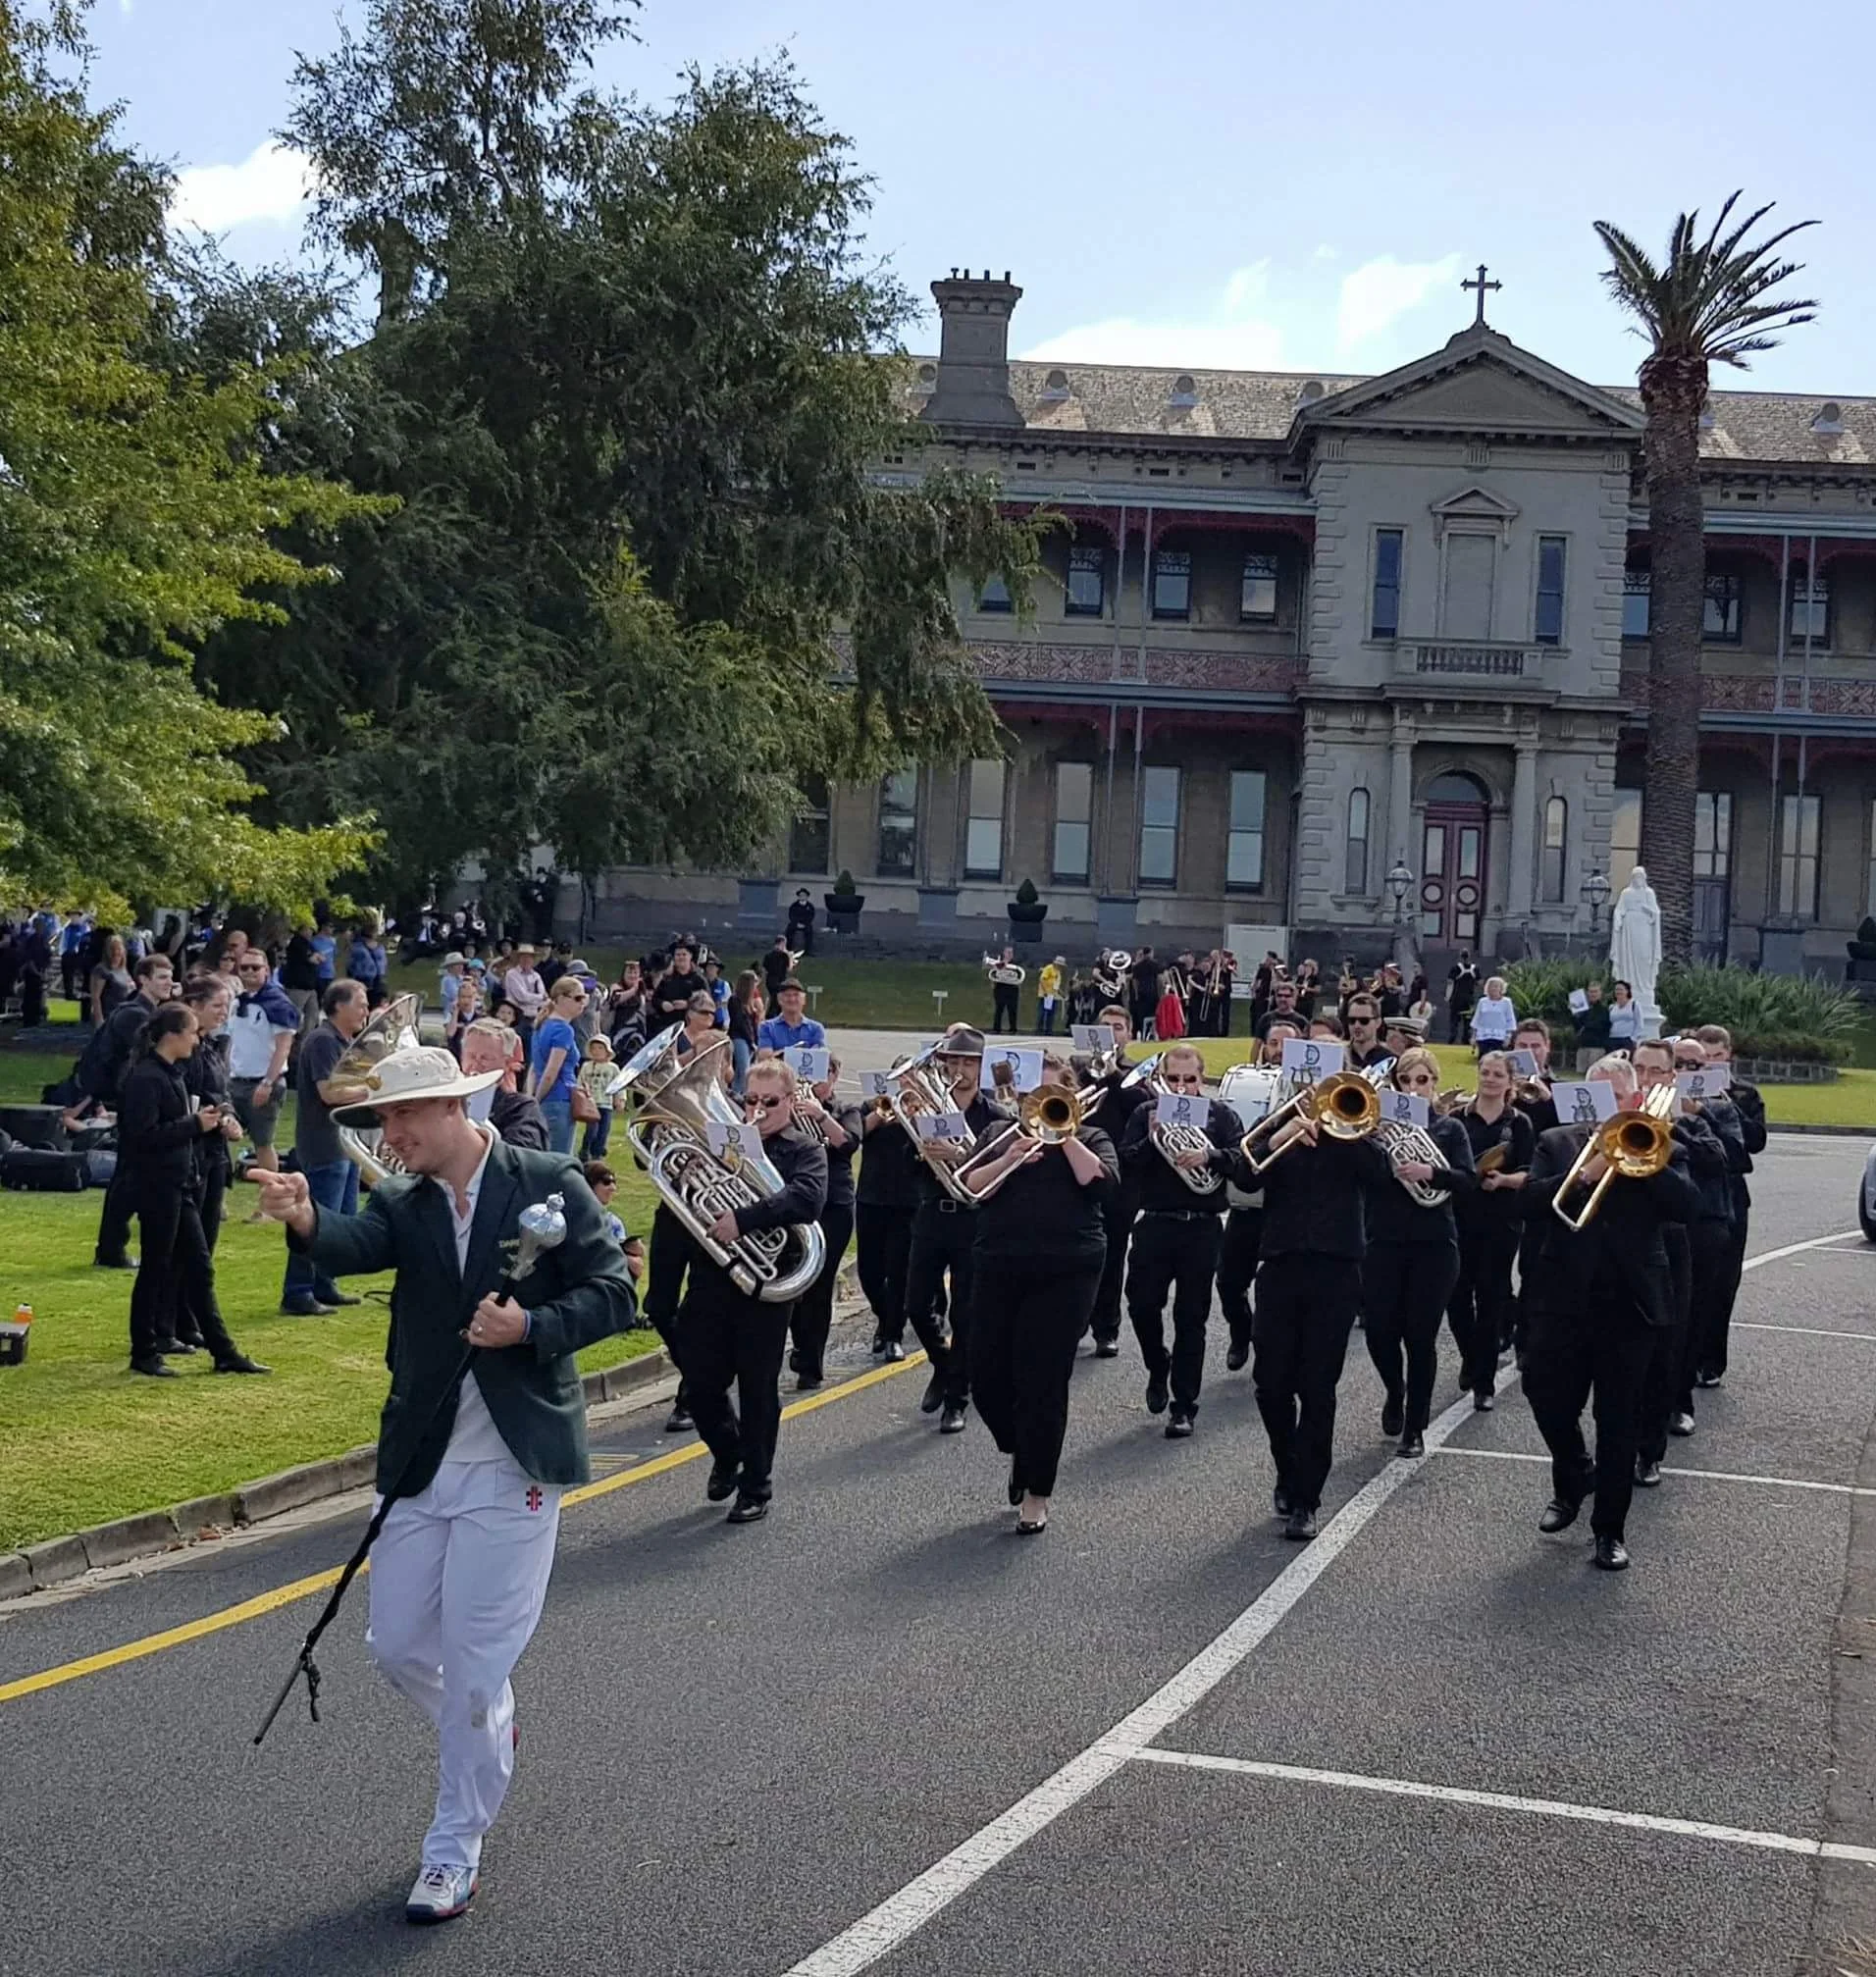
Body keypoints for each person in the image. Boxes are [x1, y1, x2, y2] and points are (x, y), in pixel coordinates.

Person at [257, 1044, 634, 1922]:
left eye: (401, 1116)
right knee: (394, 1646)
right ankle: (489, 1724)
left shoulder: (547, 1177)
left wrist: (531, 1323)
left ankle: (453, 1849)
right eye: (383, 1118)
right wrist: (307, 1218)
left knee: (471, 1669)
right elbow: (353, 1246)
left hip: (515, 1464)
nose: (390, 1133)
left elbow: (614, 1292)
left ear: (451, 1110)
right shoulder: (407, 1200)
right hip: (423, 1459)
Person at [1518, 1052, 1698, 1570]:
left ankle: (1609, 1531)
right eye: (1598, 1097)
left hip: (1631, 1303)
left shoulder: (1659, 1145)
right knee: (1545, 1394)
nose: (1608, 1108)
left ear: (1633, 1099)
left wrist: (1644, 1163)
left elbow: (1687, 1207)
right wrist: (1585, 1174)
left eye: (1617, 1098)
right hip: (1564, 1299)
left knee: (1618, 1420)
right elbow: (1530, 1204)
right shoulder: (1557, 1144)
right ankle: (1573, 1477)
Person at [962, 1055, 1118, 1534]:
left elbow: (1102, 1183)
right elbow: (972, 1186)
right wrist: (1010, 1158)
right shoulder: (998, 1136)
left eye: (1051, 1097)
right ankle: (1019, 1447)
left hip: (1067, 1271)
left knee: (1044, 1381)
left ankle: (1036, 1493)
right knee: (985, 1374)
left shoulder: (1091, 1137)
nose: (1041, 1106)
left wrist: (1063, 1135)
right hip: (999, 1265)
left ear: (1069, 1098)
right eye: (1035, 1098)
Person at [1240, 1062, 1392, 1540]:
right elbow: (1245, 1178)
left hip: (1336, 1270)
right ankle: (1287, 1470)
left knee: (1318, 1385)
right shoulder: (1280, 1129)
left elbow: (1383, 1176)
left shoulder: (1355, 1139)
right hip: (1280, 1266)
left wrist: (1346, 1132)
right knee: (1270, 1383)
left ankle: (1306, 1496)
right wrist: (1281, 1134)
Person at [678, 1058, 828, 1524]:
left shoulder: (805, 1150)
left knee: (758, 1387)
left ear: (789, 1103)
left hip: (766, 1284)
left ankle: (756, 1485)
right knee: (699, 1382)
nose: (758, 1110)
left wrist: (744, 1219)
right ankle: (727, 1452)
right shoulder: (718, 1143)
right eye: (751, 1100)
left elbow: (807, 1199)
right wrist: (687, 1176)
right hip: (711, 1278)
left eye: (770, 1102)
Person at [119, 1003, 267, 1378]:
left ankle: (223, 1349)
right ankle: (145, 1349)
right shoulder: (147, 1078)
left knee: (198, 1266)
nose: (195, 1040)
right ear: (172, 1035)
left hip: (180, 1183)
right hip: (156, 1186)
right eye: (190, 1033)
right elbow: (141, 1137)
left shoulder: (173, 1075)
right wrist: (194, 1125)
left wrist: (204, 1123)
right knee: (155, 1266)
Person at [1120, 1044, 1242, 1437]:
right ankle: (1158, 1363)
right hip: (1155, 1224)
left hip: (1201, 1227)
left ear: (1201, 1079)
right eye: (1173, 1079)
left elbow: (1241, 1162)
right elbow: (1125, 1161)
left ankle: (1184, 1405)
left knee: (1192, 1319)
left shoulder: (1220, 1115)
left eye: (1189, 1079)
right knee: (1140, 1306)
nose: (1181, 1087)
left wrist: (1210, 1157)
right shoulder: (1145, 1113)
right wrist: (1153, 1141)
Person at [1362, 1048, 1476, 1457]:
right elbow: (1364, 1182)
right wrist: (1375, 1148)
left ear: (1434, 1084)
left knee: (1421, 1336)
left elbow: (1467, 1181)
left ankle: (1415, 1426)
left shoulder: (1448, 1130)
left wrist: (1431, 1172)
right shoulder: (1377, 1130)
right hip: (1384, 1241)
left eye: (1422, 1081)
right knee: (1379, 1332)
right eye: (1405, 1081)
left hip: (1434, 1244)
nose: (1413, 1088)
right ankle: (1396, 1389)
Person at [1633, 1036, 1736, 1482]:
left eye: (1656, 1071)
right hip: (1625, 1245)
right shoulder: (1615, 1111)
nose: (1646, 1078)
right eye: (1640, 1069)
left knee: (1672, 1338)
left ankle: (1662, 1428)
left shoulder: (1692, 1119)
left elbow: (1723, 1158)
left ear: (1672, 1077)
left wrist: (1677, 1127)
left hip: (1678, 1241)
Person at [904, 1025, 1007, 1431]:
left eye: (968, 1062)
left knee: (965, 1313)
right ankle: (943, 1365)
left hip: (973, 1219)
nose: (959, 1069)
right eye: (953, 1062)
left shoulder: (995, 1116)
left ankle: (957, 1400)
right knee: (915, 1305)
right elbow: (903, 1162)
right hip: (932, 1212)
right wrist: (916, 1144)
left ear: (981, 1068)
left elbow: (1002, 1170)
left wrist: (962, 1153)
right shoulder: (928, 1109)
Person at [1447, 1052, 1535, 1408]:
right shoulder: (1458, 1118)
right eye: (1485, 1072)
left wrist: (1504, 1180)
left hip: (1501, 1219)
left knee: (1491, 1298)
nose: (1490, 1079)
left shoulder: (1520, 1124)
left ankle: (1483, 1382)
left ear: (1510, 1082)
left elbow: (1531, 1170)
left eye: (1498, 1074)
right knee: (1455, 1296)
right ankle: (1471, 1355)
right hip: (1459, 1215)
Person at [81, 952, 179, 1270]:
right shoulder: (136, 1016)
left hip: (131, 1101)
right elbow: (149, 1057)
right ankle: (111, 1247)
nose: (169, 982)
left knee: (128, 1178)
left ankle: (112, 1247)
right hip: (131, 1103)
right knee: (127, 1179)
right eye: (161, 977)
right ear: (143, 980)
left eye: (170, 976)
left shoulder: (145, 1012)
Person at [283, 980, 374, 1316]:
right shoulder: (323, 1041)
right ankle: (298, 1290)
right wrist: (372, 1090)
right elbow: (329, 1093)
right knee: (314, 1220)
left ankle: (324, 1284)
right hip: (324, 1144)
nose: (366, 1010)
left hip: (344, 1144)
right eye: (360, 1004)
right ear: (339, 1006)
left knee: (339, 1220)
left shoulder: (343, 1042)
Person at [1220, 1018, 1299, 1374]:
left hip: (1289, 1209)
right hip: (1249, 1205)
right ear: (1264, 1048)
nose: (1279, 1051)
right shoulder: (1254, 1082)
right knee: (1228, 1282)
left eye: (1288, 1046)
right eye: (1274, 1044)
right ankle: (1241, 1332)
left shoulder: (1318, 1098)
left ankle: (1274, 1354)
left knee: (1280, 1293)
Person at [1692, 1025, 1766, 1389]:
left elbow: (1755, 1143)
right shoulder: (1679, 1090)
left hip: (1731, 1194)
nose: (1707, 1065)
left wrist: (1727, 1105)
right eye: (1702, 1059)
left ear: (1728, 1057)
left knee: (1723, 1283)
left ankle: (1710, 1360)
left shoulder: (1745, 1093)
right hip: (1694, 1191)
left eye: (1715, 1058)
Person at [787, 1058, 861, 1390]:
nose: (815, 1082)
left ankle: (811, 1363)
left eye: (823, 1075)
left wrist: (819, 1114)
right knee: (790, 1282)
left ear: (834, 1077)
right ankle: (800, 1346)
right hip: (798, 1202)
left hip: (834, 1205)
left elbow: (847, 1143)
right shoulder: (788, 1110)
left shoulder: (846, 1110)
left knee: (819, 1284)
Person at [1082, 1005, 1152, 1357]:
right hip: (1078, 1176)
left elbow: (1148, 1107)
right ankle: (1077, 1319)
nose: (1112, 1033)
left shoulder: (1137, 1075)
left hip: (1121, 1178)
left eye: (1118, 1027)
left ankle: (1106, 1327)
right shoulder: (1078, 1071)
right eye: (1105, 1027)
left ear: (1130, 1035)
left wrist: (1111, 1076)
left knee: (1111, 1256)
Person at [855, 1068, 920, 1361]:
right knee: (868, 1273)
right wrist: (880, 1115)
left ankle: (893, 1333)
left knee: (898, 1272)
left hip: (907, 1202)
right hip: (871, 1198)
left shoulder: (926, 1113)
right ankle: (884, 1317)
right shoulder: (871, 1107)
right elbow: (854, 1137)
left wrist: (916, 1118)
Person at [227, 949, 298, 1191]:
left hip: (264, 1081)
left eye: (255, 968)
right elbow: (232, 1042)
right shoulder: (238, 1002)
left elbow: (283, 1046)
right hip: (236, 1079)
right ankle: (218, 1200)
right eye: (244, 967)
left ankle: (269, 1202)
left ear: (266, 970)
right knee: (223, 1137)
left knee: (263, 1143)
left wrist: (268, 1082)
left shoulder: (277, 1003)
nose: (249, 972)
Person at [459, 1019, 550, 1151]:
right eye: (471, 1056)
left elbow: (524, 1153)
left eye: (485, 1058)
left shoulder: (521, 1108)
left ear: (506, 1063)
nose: (476, 1065)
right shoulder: (446, 1100)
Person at [528, 974, 586, 1156]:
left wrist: (532, 1098)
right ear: (560, 998)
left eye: (584, 998)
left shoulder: (541, 1026)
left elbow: (533, 1069)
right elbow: (550, 1072)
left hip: (544, 1099)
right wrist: (536, 1101)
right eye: (577, 998)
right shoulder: (563, 1030)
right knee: (559, 1159)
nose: (582, 1003)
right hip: (559, 1100)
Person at [1609, 866, 1663, 1032]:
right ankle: (1631, 986)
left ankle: (1644, 988)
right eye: (1636, 876)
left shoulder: (1649, 894)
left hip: (1644, 929)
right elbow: (1619, 910)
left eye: (1641, 876)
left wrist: (1649, 911)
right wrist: (1618, 918)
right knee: (1628, 960)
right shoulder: (1626, 893)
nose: (1638, 879)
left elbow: (1656, 914)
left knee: (1644, 958)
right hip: (1629, 930)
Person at [582, 1160, 645, 1283]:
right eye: (606, 1182)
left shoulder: (614, 1222)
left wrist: (631, 1249)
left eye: (614, 1182)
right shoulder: (578, 1218)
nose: (612, 1188)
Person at [756, 978, 826, 1054]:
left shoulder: (816, 1029)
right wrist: (794, 1051)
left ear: (804, 1000)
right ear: (779, 1000)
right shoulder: (767, 1027)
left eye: (796, 995)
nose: (792, 999)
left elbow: (821, 1055)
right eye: (787, 995)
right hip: (778, 1066)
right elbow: (765, 1057)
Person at [651, 944, 704, 1036]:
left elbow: (706, 1002)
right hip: (666, 1026)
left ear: (690, 956)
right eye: (678, 955)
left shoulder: (698, 979)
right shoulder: (666, 978)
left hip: (690, 1026)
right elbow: (655, 999)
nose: (681, 957)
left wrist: (688, 1004)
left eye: (684, 954)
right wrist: (662, 1004)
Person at [282, 920, 325, 1033]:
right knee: (293, 1015)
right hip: (298, 986)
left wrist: (317, 956)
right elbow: (312, 959)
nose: (311, 932)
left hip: (310, 986)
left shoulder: (309, 943)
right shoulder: (297, 942)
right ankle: (288, 1041)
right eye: (309, 929)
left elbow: (320, 957)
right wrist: (316, 957)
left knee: (313, 1016)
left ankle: (304, 1043)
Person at [501, 944, 547, 1048]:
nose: (527, 960)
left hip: (534, 1018)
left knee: (532, 1051)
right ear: (519, 958)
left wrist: (540, 998)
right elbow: (522, 997)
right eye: (524, 957)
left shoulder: (536, 976)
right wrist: (539, 997)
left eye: (529, 957)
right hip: (518, 1018)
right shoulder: (512, 974)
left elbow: (544, 1000)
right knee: (516, 1049)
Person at [726, 970, 763, 1097]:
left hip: (750, 1038)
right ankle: (736, 1092)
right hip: (739, 1037)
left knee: (749, 1068)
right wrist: (751, 1041)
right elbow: (739, 1022)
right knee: (743, 1067)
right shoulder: (735, 1000)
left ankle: (743, 1091)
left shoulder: (750, 1003)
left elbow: (753, 1025)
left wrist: (756, 1041)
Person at [87, 933, 133, 1030]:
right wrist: (99, 1020)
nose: (116, 952)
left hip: (123, 1017)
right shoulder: (101, 969)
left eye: (119, 949)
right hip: (108, 1017)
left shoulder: (123, 969)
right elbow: (95, 997)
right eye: (112, 949)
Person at [1469, 975, 1516, 1057]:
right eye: (1491, 986)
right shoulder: (1482, 1001)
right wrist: (1473, 1037)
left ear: (1501, 988)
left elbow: (1510, 1019)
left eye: (1496, 986)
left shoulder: (1506, 1002)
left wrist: (1508, 1037)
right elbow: (1476, 1019)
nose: (1493, 989)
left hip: (1499, 1037)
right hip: (1483, 1036)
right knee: (1483, 1058)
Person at [347, 922, 390, 1009]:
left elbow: (351, 966)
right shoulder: (380, 948)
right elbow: (384, 965)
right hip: (378, 981)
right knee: (375, 1008)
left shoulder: (357, 947)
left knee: (362, 1007)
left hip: (364, 980)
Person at [1573, 980, 1613, 1069]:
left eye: (1595, 992)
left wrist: (1586, 1024)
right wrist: (1575, 1016)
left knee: (1593, 1076)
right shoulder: (1583, 1010)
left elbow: (1600, 1026)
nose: (1593, 994)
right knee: (1580, 1076)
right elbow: (1577, 1027)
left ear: (1600, 993)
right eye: (1591, 992)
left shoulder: (1604, 1010)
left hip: (1597, 1048)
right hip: (1582, 1046)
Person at [1344, 992, 1390, 1069]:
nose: (1357, 1025)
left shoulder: (1389, 1058)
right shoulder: (1340, 1056)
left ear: (1378, 1022)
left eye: (1364, 1021)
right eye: (1352, 1020)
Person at [1445, 950, 1480, 1045]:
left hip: (1456, 998)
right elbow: (1479, 982)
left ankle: (1452, 1038)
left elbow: (1450, 982)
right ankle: (1466, 1039)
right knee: (1467, 1021)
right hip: (1469, 999)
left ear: (1460, 957)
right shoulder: (1475, 969)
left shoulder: (1456, 968)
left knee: (1454, 1021)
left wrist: (1447, 996)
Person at [987, 947, 1022, 1035]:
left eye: (1011, 952)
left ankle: (1013, 1029)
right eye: (1008, 952)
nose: (1009, 954)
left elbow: (1019, 975)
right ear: (1004, 953)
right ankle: (996, 1029)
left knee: (1012, 1010)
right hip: (1000, 988)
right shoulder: (998, 963)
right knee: (999, 1009)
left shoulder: (1016, 965)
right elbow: (993, 974)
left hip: (1012, 989)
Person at [760, 935, 795, 1015]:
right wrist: (790, 957)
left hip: (770, 980)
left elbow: (764, 969)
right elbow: (789, 968)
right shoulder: (784, 956)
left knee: (775, 999)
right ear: (782, 943)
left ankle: (773, 1015)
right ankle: (771, 1016)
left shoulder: (768, 955)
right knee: (777, 1001)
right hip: (780, 981)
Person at [1608, 980, 1642, 1053]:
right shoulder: (1612, 1007)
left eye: (1621, 989)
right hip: (1613, 1039)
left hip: (1627, 1039)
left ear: (1627, 991)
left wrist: (1633, 1039)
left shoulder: (1634, 1005)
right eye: (1616, 990)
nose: (1618, 992)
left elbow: (1639, 1023)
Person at [1036, 955, 1064, 1035]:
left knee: (1051, 1013)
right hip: (1045, 994)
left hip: (1053, 995)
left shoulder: (1058, 972)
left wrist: (1061, 993)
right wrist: (1045, 991)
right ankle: (1039, 1029)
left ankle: (1049, 1030)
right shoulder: (1049, 968)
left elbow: (1056, 984)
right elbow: (1042, 979)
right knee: (1042, 1012)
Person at [786, 887, 817, 958]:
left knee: (809, 931)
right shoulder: (794, 905)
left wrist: (804, 924)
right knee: (789, 930)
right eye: (800, 895)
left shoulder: (810, 906)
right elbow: (791, 915)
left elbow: (811, 916)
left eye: (804, 895)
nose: (802, 897)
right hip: (795, 923)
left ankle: (808, 951)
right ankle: (788, 949)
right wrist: (797, 923)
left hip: (806, 924)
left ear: (807, 897)